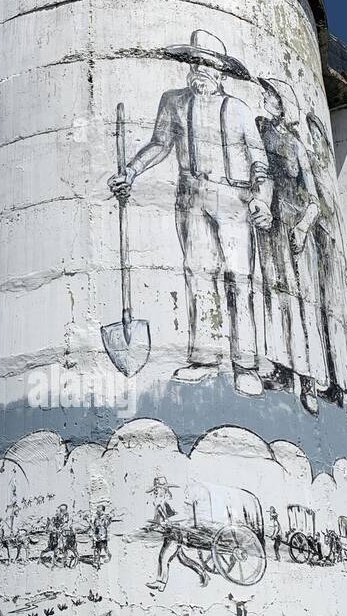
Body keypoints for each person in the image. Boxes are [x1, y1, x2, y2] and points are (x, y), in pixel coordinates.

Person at [109, 30, 273, 396]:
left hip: (234, 198)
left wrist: (262, 198)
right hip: (192, 194)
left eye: (207, 64)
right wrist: (131, 171)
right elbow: (159, 144)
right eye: (195, 62)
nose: (200, 70)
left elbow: (259, 161)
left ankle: (245, 364)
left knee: (240, 279)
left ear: (221, 72)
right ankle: (205, 359)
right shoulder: (174, 102)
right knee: (198, 274)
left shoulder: (238, 110)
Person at [256, 78, 325, 414]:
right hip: (269, 226)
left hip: (295, 230)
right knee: (272, 297)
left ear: (281, 104)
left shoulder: (296, 145)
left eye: (270, 96)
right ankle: (281, 369)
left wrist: (302, 228)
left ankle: (308, 380)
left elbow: (315, 200)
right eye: (264, 95)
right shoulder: (258, 132)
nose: (264, 100)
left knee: (300, 306)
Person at [305, 113, 347, 417]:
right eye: (311, 134)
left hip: (329, 247)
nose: (312, 139)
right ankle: (334, 382)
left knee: (337, 319)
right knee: (325, 319)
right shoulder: (312, 164)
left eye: (315, 134)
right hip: (320, 244)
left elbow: (323, 207)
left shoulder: (323, 169)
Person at [146, 476, 209, 590]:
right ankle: (203, 573)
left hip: (175, 535)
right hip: (169, 535)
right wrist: (154, 526)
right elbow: (158, 521)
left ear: (164, 489)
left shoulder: (167, 503)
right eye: (155, 489)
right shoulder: (159, 504)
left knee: (164, 558)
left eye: (158, 488)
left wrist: (169, 522)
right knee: (183, 559)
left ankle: (161, 583)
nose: (156, 491)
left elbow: (179, 517)